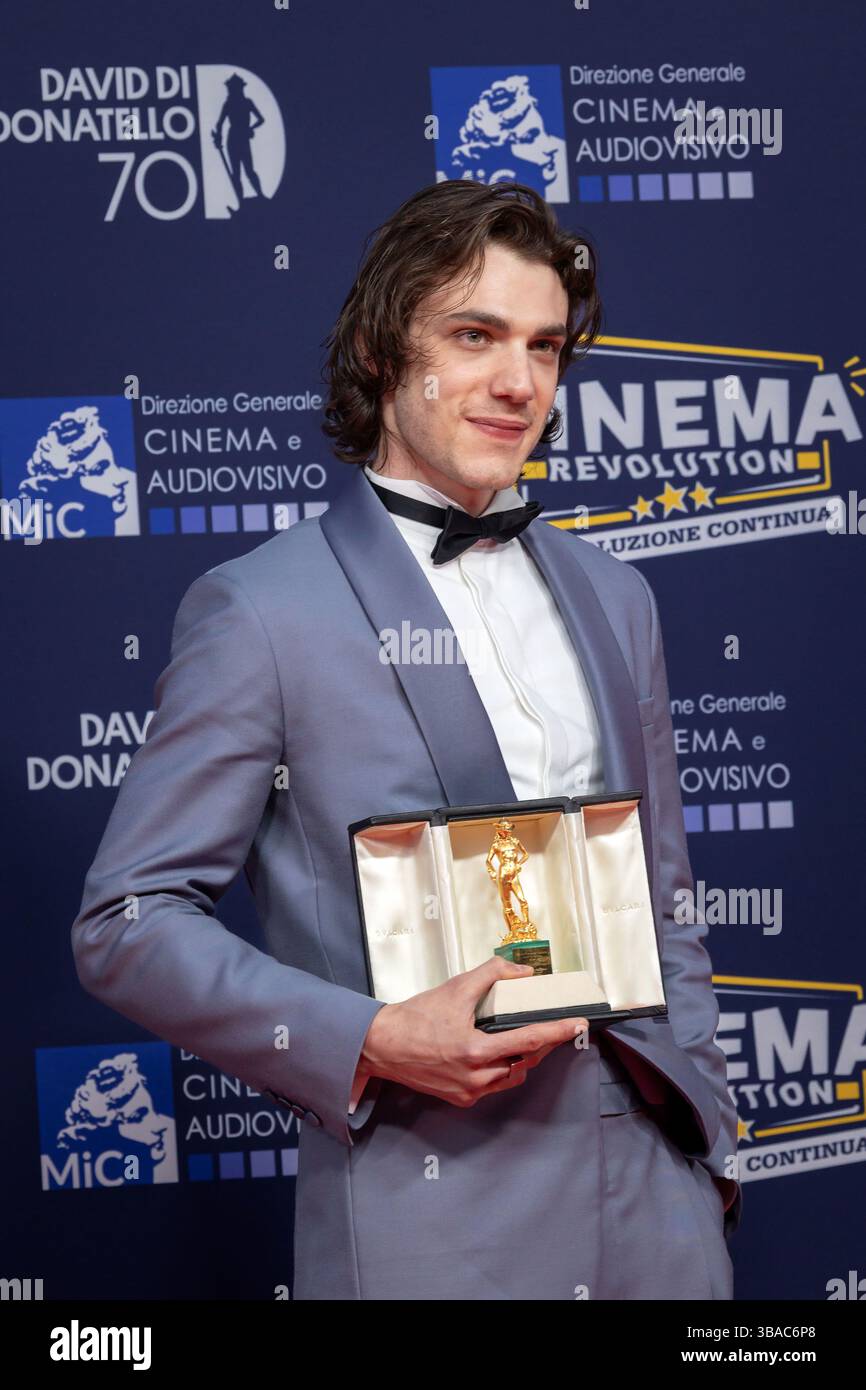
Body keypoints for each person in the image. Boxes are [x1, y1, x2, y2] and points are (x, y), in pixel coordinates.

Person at [72, 179, 741, 1300]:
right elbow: (125, 922)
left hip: (656, 1212)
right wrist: (367, 1036)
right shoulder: (263, 612)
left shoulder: (614, 594)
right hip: (433, 1217)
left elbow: (664, 891)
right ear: (384, 350)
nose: (518, 381)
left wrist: (708, 1136)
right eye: (473, 335)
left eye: (544, 345)